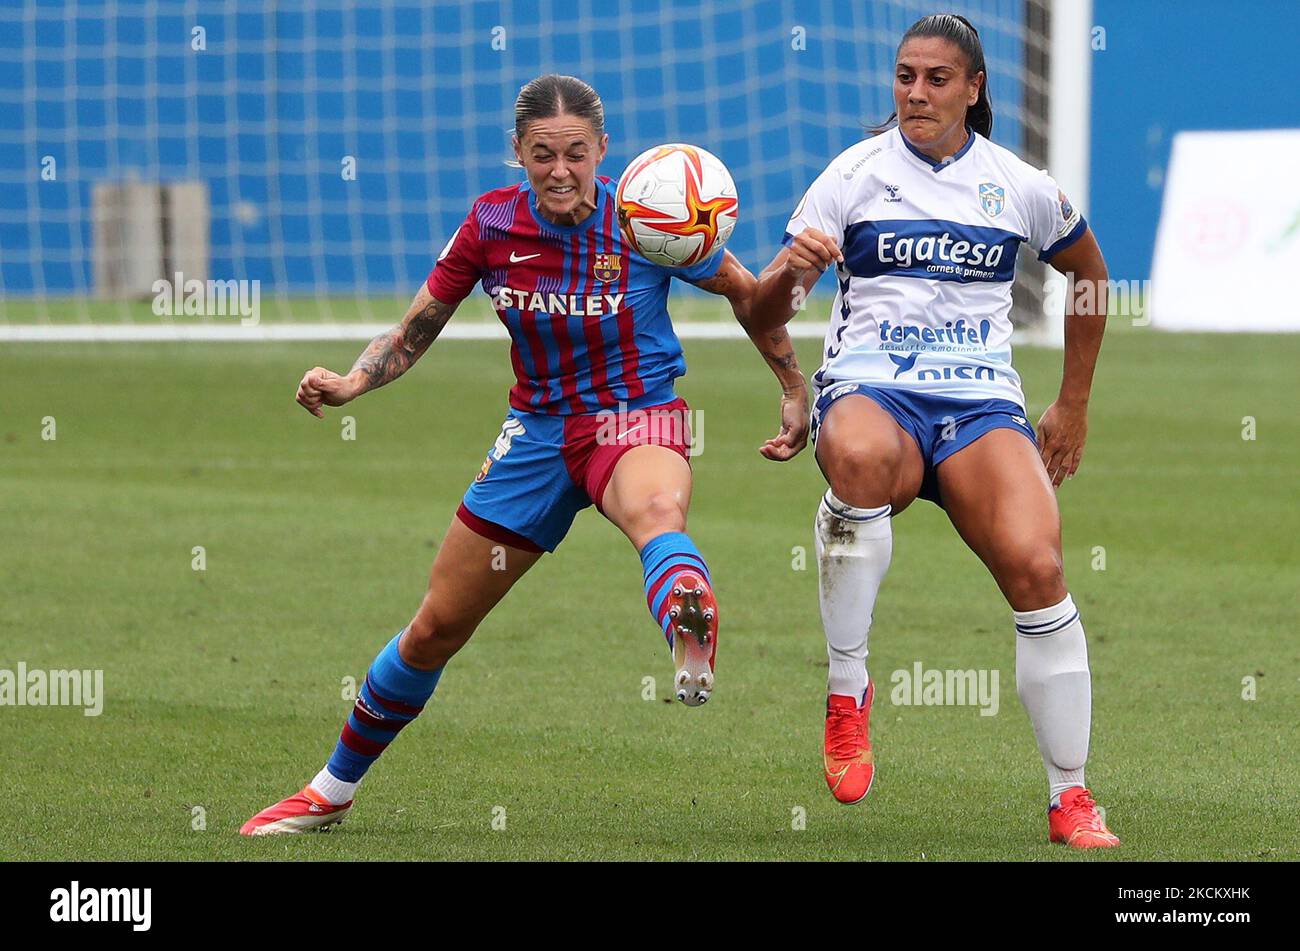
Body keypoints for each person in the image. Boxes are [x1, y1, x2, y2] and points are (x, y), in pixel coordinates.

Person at [241, 74, 808, 835]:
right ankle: (330, 791)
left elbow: (749, 294)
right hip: (536, 436)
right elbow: (416, 330)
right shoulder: (490, 225)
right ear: (519, 153)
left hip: (632, 418)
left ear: (603, 151)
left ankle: (686, 619)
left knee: (656, 509)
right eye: (543, 154)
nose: (561, 170)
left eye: (577, 153)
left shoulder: (646, 219)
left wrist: (792, 385)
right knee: (436, 627)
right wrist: (349, 382)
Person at [750, 14, 1119, 848]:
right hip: (871, 388)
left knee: (1040, 562)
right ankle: (848, 693)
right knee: (861, 457)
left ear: (974, 89)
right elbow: (766, 311)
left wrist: (1073, 402)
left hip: (980, 403)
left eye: (937, 79)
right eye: (906, 76)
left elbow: (1090, 274)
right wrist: (787, 275)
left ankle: (1071, 796)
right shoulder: (850, 176)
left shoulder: (1017, 183)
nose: (916, 92)